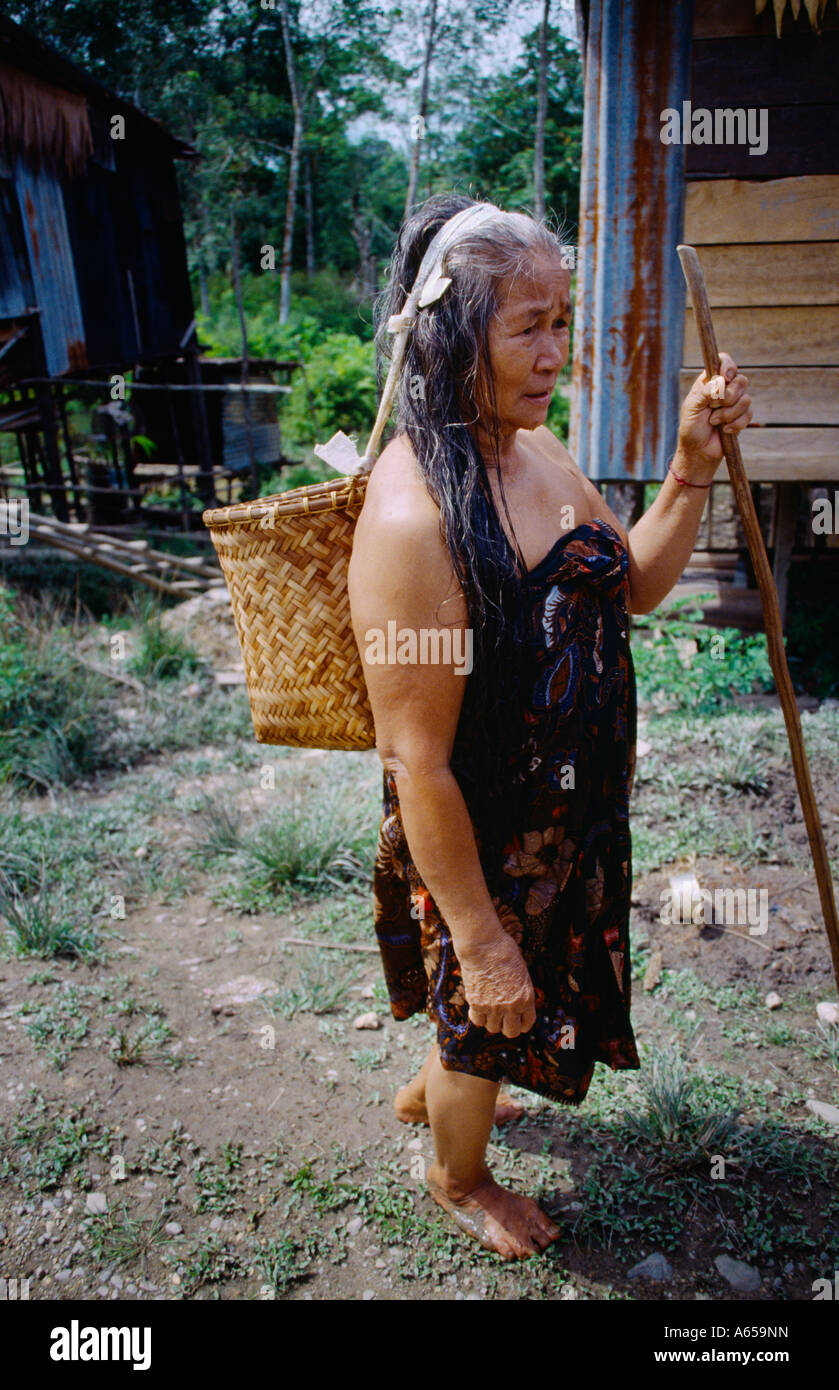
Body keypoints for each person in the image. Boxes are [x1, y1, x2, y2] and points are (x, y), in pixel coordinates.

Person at [347, 194, 752, 1260]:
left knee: (495, 1016)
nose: (553, 352)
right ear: (447, 334)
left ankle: (444, 1079)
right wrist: (479, 940)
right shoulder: (414, 515)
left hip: (566, 822)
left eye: (560, 321)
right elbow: (416, 759)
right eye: (525, 326)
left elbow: (637, 584)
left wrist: (688, 464)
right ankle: (457, 1168)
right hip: (475, 841)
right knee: (490, 1006)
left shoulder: (539, 455)